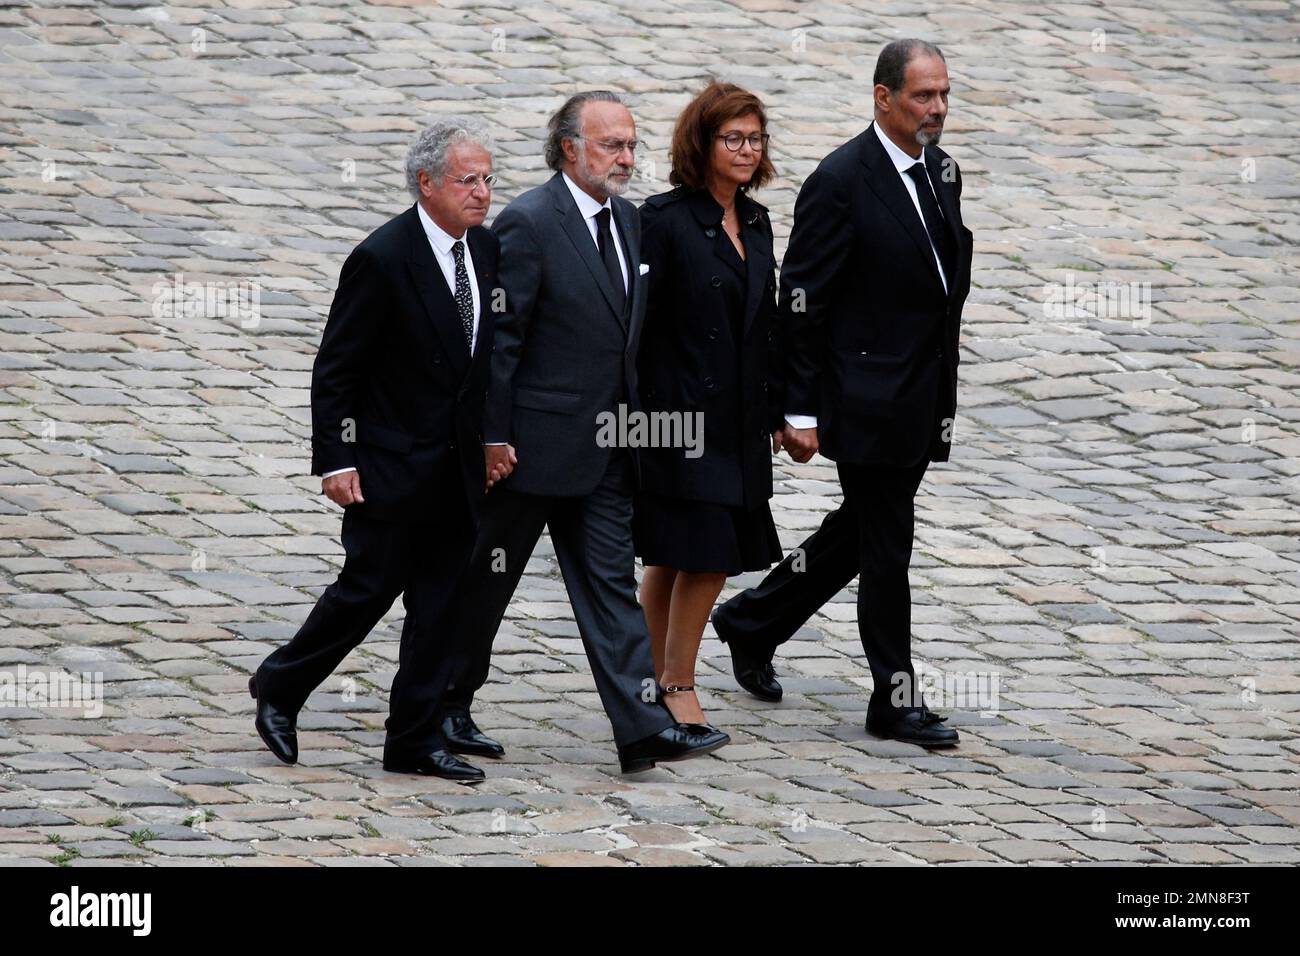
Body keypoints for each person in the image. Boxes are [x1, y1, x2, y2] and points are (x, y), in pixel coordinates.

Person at [443, 91, 729, 774]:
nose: (627, 158)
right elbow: (500, 341)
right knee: (487, 582)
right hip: (527, 452)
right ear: (569, 149)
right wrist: (492, 437)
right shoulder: (529, 222)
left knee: (608, 584)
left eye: (631, 144)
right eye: (612, 145)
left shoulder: (629, 223)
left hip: (605, 449)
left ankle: (640, 726)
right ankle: (445, 704)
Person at [712, 39, 974, 748]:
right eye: (923, 96)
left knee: (863, 529)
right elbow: (801, 299)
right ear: (883, 98)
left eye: (944, 94)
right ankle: (894, 698)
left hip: (921, 392)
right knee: (887, 544)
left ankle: (752, 620)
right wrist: (797, 409)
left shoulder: (942, 171)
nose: (938, 108)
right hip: (865, 398)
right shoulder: (842, 180)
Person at [249, 118, 501, 782]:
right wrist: (337, 459)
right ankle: (280, 684)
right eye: (467, 180)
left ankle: (412, 739)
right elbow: (338, 371)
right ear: (426, 183)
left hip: (458, 470)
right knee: (365, 592)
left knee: (443, 606)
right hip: (391, 467)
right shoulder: (383, 258)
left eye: (487, 179)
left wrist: (495, 439)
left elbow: (485, 362)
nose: (481, 193)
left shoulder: (486, 250)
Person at [634, 82, 785, 734]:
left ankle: (640, 678)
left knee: (679, 555)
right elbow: (635, 327)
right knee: (702, 555)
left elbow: (767, 323)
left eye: (755, 138)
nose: (747, 149)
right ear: (703, 143)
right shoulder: (663, 222)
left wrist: (780, 408)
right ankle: (675, 683)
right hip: (679, 421)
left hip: (741, 421)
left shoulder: (756, 221)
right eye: (734, 138)